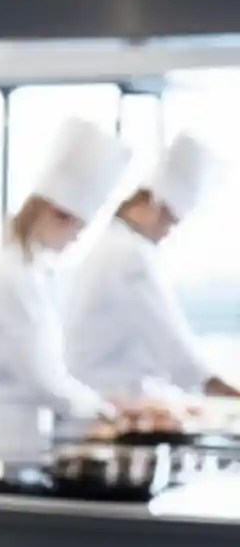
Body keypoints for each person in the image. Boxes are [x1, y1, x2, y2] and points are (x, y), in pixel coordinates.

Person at [0, 118, 131, 459]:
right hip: (1, 440)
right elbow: (39, 376)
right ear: (58, 215)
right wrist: (103, 409)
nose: (75, 241)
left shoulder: (33, 273)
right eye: (78, 230)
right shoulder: (6, 276)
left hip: (24, 439)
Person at [65, 133, 240, 400]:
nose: (166, 233)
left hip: (104, 399)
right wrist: (221, 387)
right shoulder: (129, 255)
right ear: (155, 207)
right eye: (170, 223)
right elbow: (172, 343)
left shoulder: (114, 245)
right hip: (104, 404)